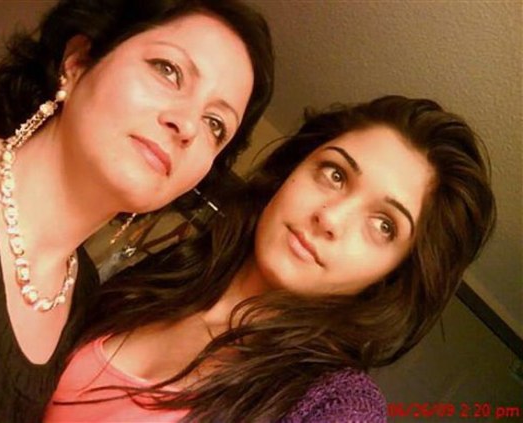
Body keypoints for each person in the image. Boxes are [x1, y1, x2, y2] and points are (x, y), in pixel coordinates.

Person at [44, 95, 496, 422]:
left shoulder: (336, 406)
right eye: (335, 174)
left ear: (392, 276)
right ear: (291, 170)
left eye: (383, 225)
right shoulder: (166, 275)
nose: (330, 218)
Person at [0, 0, 274, 421]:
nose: (187, 125)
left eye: (215, 124)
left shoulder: (90, 307)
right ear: (77, 62)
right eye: (168, 70)